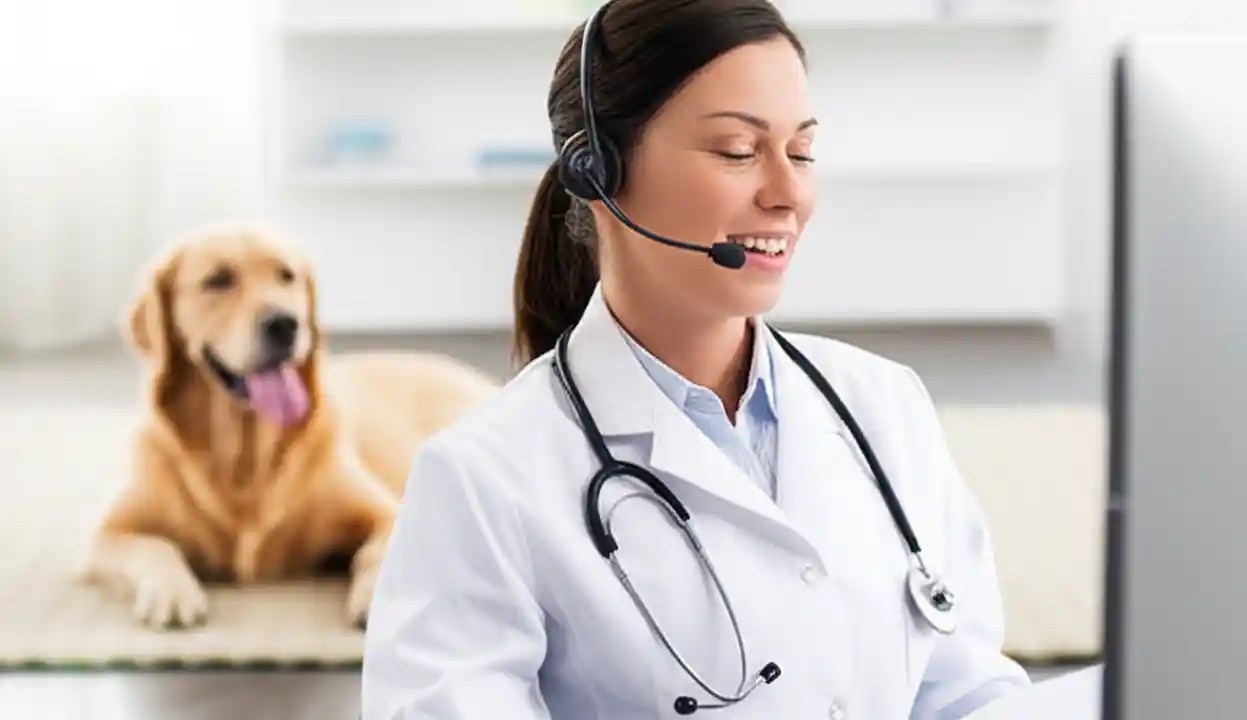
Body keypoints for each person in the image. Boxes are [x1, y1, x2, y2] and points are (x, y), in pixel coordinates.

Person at [361, 1, 1031, 718]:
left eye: (801, 152)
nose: (788, 194)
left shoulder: (885, 404)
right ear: (599, 170)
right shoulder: (483, 480)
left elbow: (967, 688)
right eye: (739, 151)